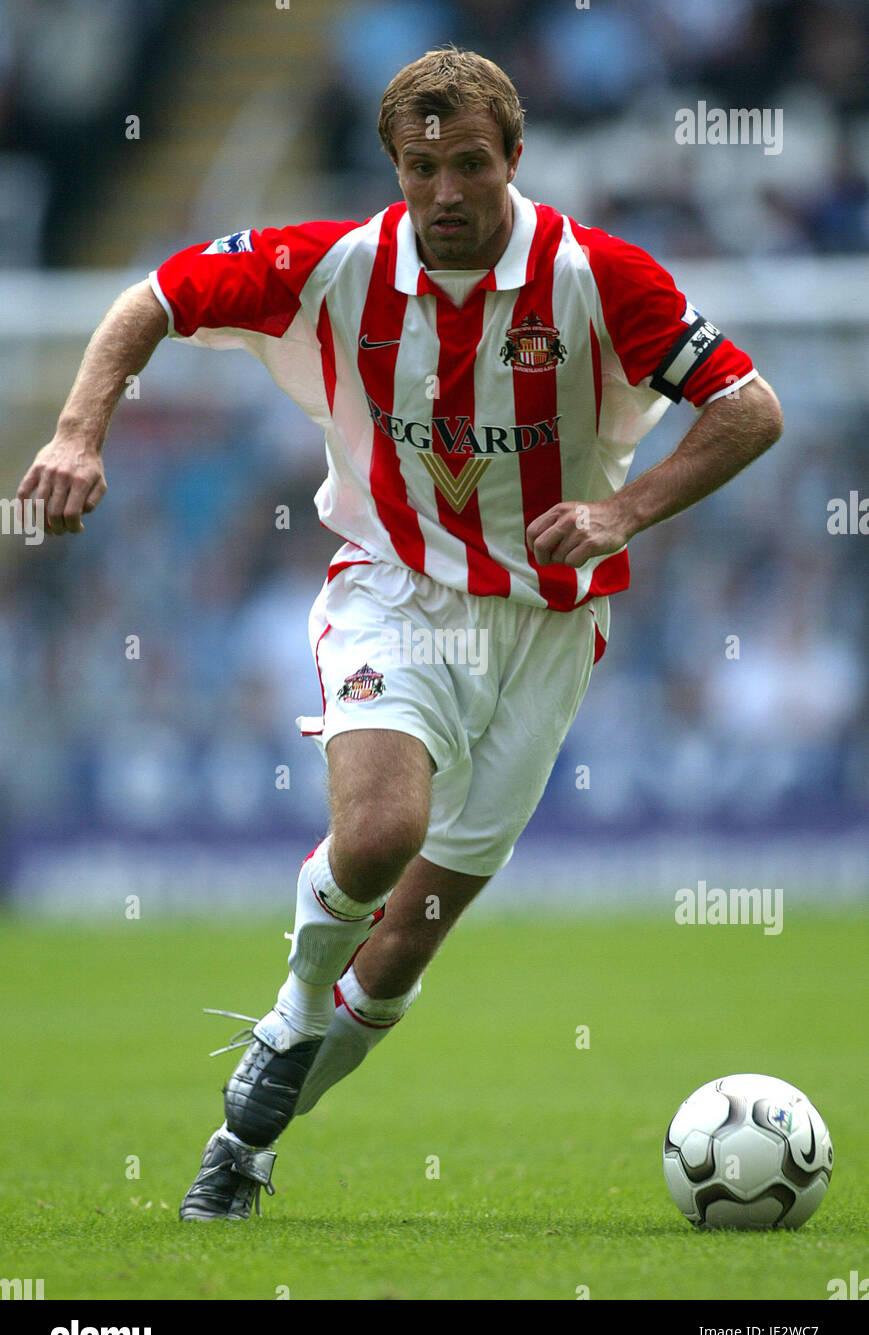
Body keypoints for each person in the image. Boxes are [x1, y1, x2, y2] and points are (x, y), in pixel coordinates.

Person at [17, 48, 783, 1221]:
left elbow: (748, 407)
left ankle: (244, 1143)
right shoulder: (332, 264)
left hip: (545, 628)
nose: (444, 193)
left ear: (512, 160)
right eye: (420, 167)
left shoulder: (597, 277)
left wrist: (623, 510)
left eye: (468, 164)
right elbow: (155, 299)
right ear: (394, 166)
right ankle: (285, 1014)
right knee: (378, 832)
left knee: (403, 950)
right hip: (392, 585)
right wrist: (79, 431)